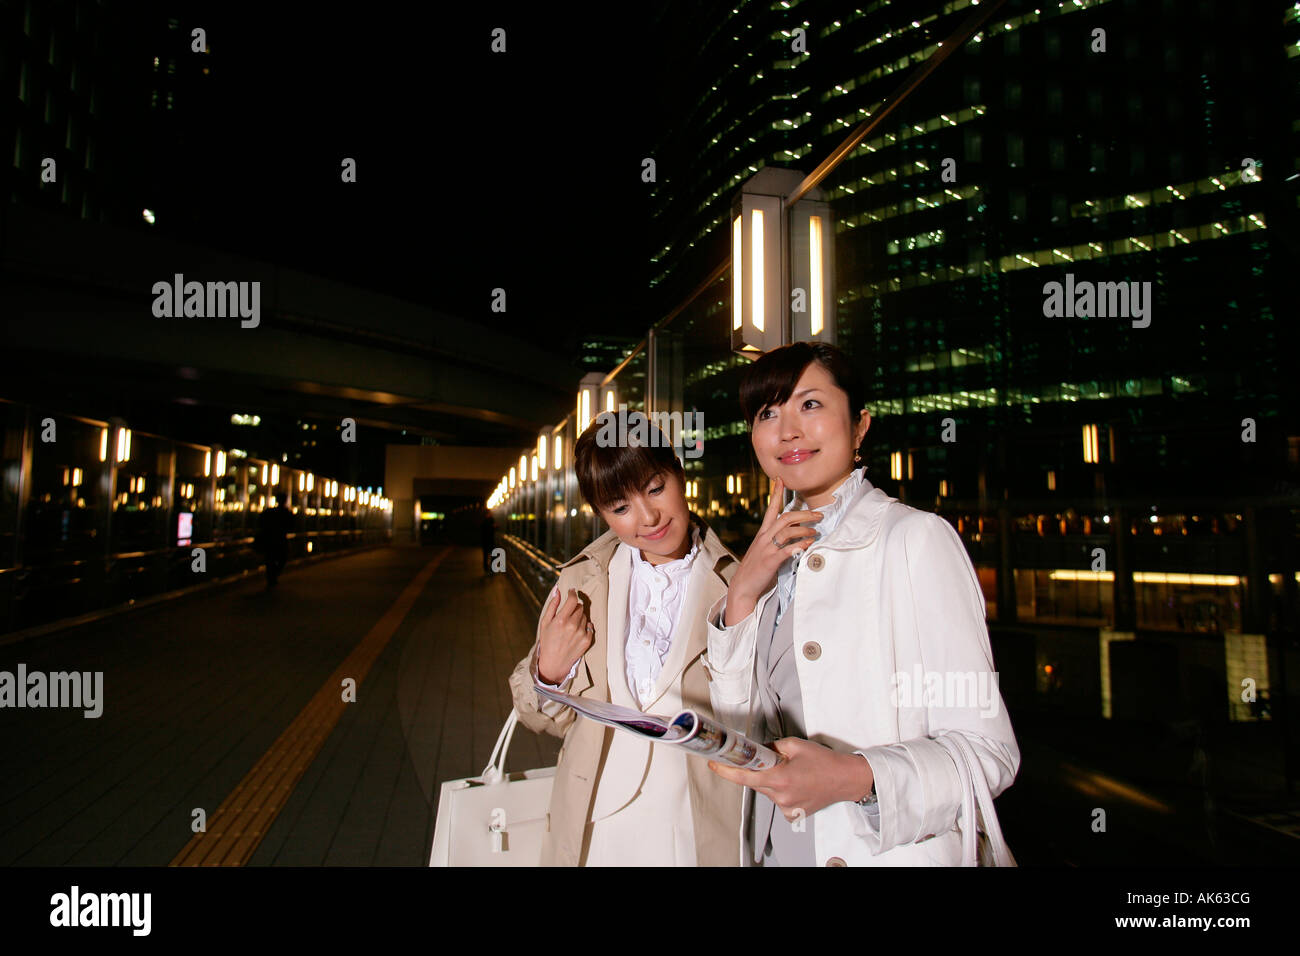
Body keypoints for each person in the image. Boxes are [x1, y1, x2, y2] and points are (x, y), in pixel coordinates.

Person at [702, 341, 1020, 866]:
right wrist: (741, 594)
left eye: (810, 404)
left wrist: (855, 778)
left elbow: (989, 755)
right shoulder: (764, 562)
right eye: (767, 413)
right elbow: (740, 727)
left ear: (861, 425)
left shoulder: (914, 540)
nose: (788, 431)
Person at [508, 410, 743, 866]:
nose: (648, 516)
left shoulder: (737, 582)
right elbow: (535, 715)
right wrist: (548, 673)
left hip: (697, 825)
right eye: (620, 508)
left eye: (656, 488)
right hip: (597, 823)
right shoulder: (583, 582)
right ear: (600, 514)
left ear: (678, 472)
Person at [256, 501, 293, 588]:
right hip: (279, 539)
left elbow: (260, 522)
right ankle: (273, 576)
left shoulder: (269, 512)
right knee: (281, 559)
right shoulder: (285, 513)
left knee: (270, 560)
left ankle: (271, 577)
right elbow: (291, 525)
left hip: (269, 540)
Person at [479, 505, 496, 572]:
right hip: (490, 540)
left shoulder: (483, 521)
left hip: (485, 540)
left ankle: (486, 567)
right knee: (492, 554)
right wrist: (494, 527)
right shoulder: (491, 520)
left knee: (485, 554)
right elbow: (491, 529)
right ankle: (491, 567)